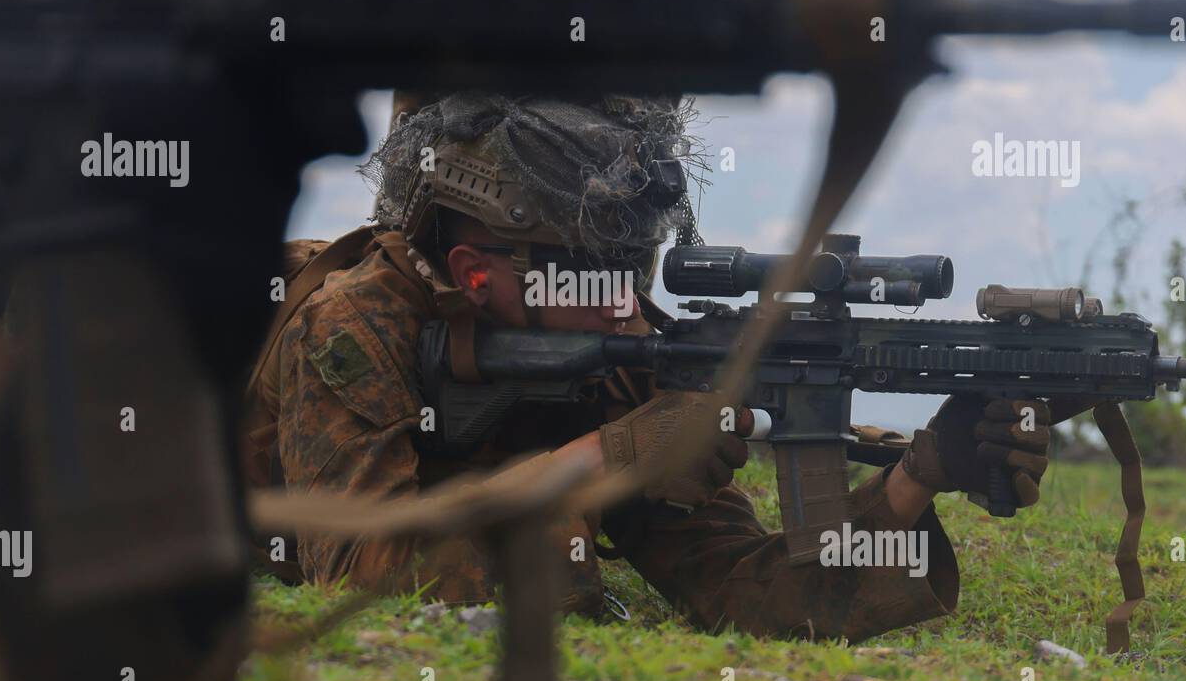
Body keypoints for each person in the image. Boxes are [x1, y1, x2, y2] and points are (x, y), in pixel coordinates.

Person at [248, 92, 1050, 641]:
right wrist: (608, 459)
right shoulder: (353, 324)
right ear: (475, 271)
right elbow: (356, 577)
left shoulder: (627, 350)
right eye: (592, 273)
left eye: (634, 268)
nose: (625, 302)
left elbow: (740, 589)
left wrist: (918, 474)